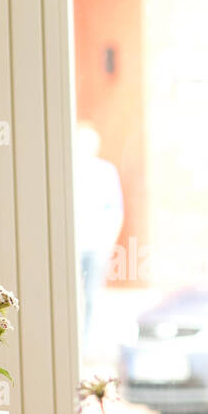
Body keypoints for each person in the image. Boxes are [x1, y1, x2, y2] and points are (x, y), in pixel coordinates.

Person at [73, 123, 124, 350]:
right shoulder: (68, 171)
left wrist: (107, 241)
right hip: (73, 245)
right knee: (71, 294)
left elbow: (115, 210)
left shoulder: (105, 171)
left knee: (92, 295)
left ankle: (86, 344)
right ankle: (72, 340)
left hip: (96, 245)